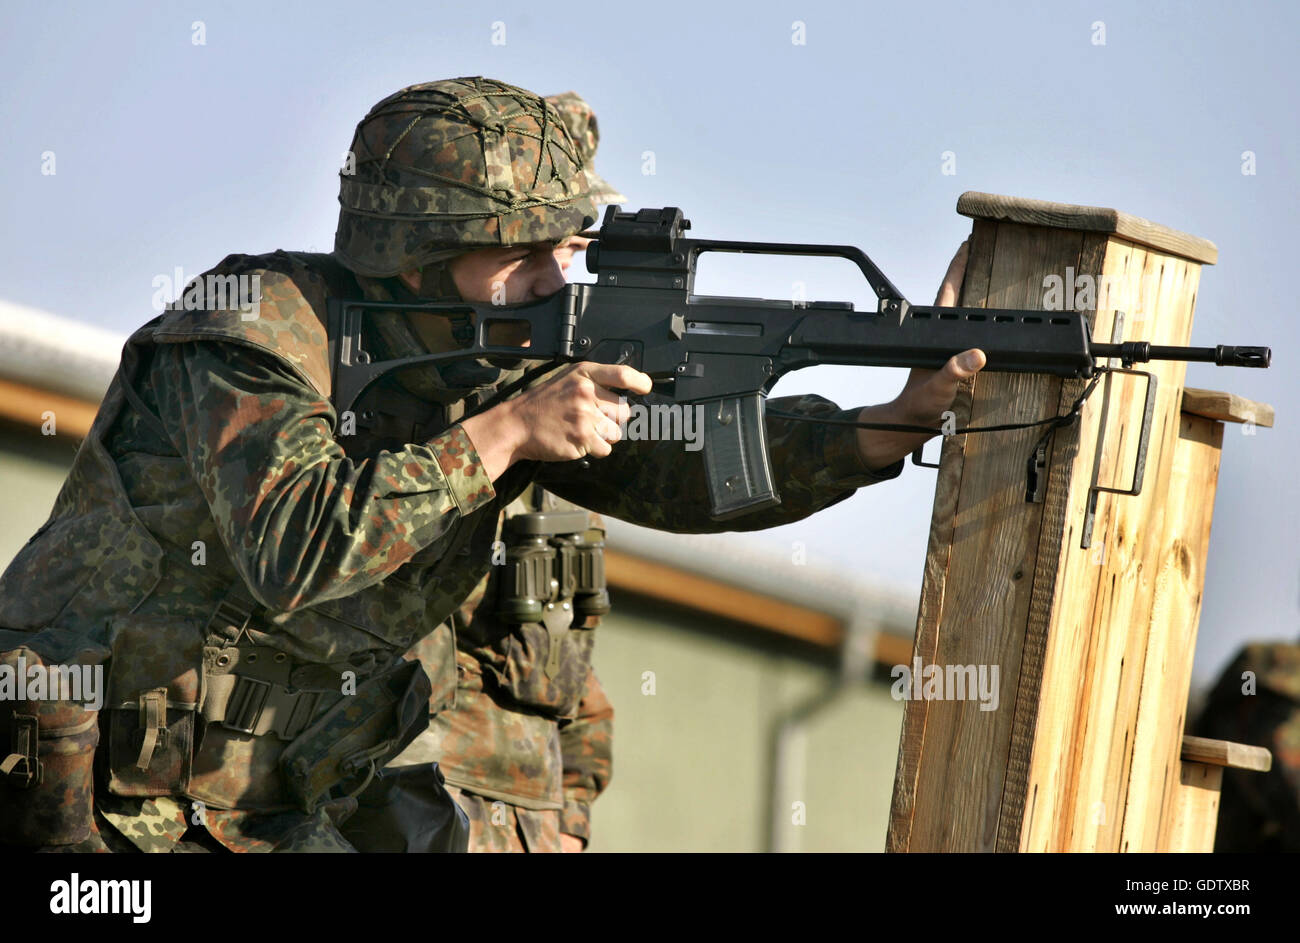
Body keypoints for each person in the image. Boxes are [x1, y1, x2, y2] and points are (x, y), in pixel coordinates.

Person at [0, 76, 982, 852]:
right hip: (84, 791)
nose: (557, 277)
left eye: (568, 246)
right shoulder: (253, 332)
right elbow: (295, 548)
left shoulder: (489, 354)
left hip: (262, 801)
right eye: (523, 251)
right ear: (421, 251)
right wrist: (508, 432)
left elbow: (666, 471)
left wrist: (883, 425)